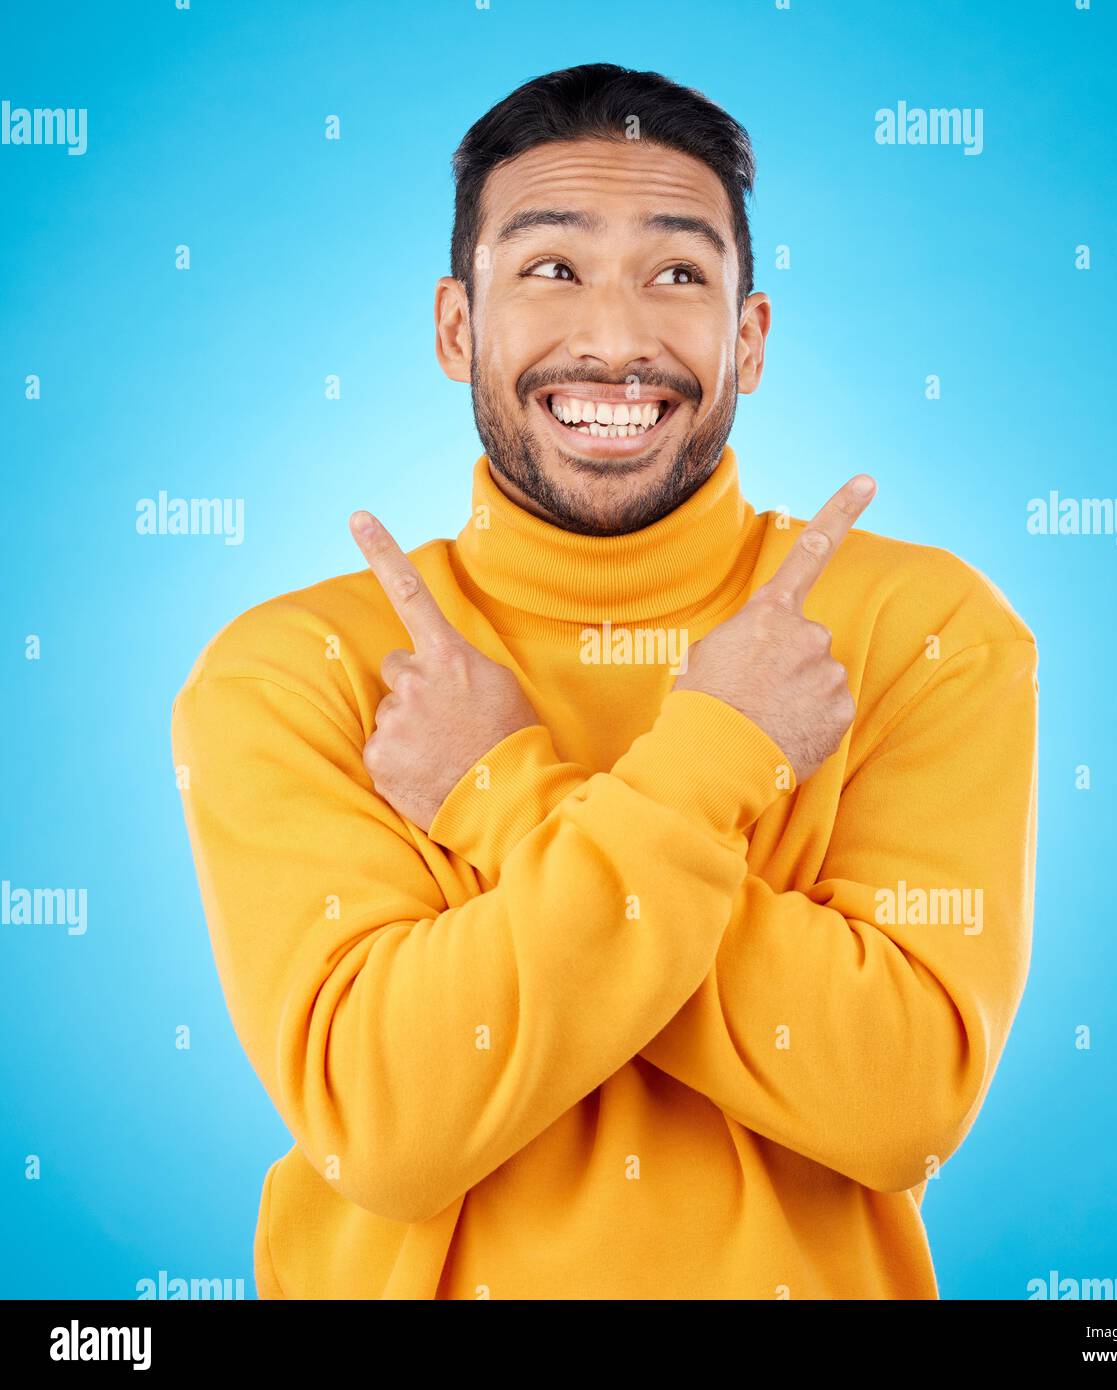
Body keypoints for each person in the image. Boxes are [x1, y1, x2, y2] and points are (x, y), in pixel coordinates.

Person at [172, 63, 1038, 1300]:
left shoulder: (920, 629)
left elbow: (901, 1103)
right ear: (455, 326)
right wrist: (715, 761)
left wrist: (502, 789)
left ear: (748, 336)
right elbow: (383, 1127)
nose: (618, 340)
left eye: (679, 274)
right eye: (551, 268)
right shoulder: (293, 670)